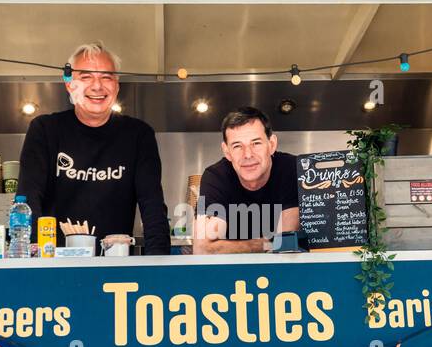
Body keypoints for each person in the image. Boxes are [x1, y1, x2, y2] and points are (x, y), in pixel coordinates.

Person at [17, 43, 171, 254]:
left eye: (106, 77)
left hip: (115, 266)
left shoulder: (138, 135)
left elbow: (152, 205)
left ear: (117, 85)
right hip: (53, 264)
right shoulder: (45, 130)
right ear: (69, 84)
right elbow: (28, 199)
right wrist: (33, 260)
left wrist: (159, 265)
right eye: (86, 77)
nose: (97, 86)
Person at [193, 107, 300, 254]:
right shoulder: (216, 177)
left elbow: (285, 247)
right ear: (227, 151)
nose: (248, 154)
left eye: (256, 143)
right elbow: (202, 249)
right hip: (230, 271)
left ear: (272, 145)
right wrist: (260, 244)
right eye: (237, 146)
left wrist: (231, 247)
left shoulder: (291, 169)